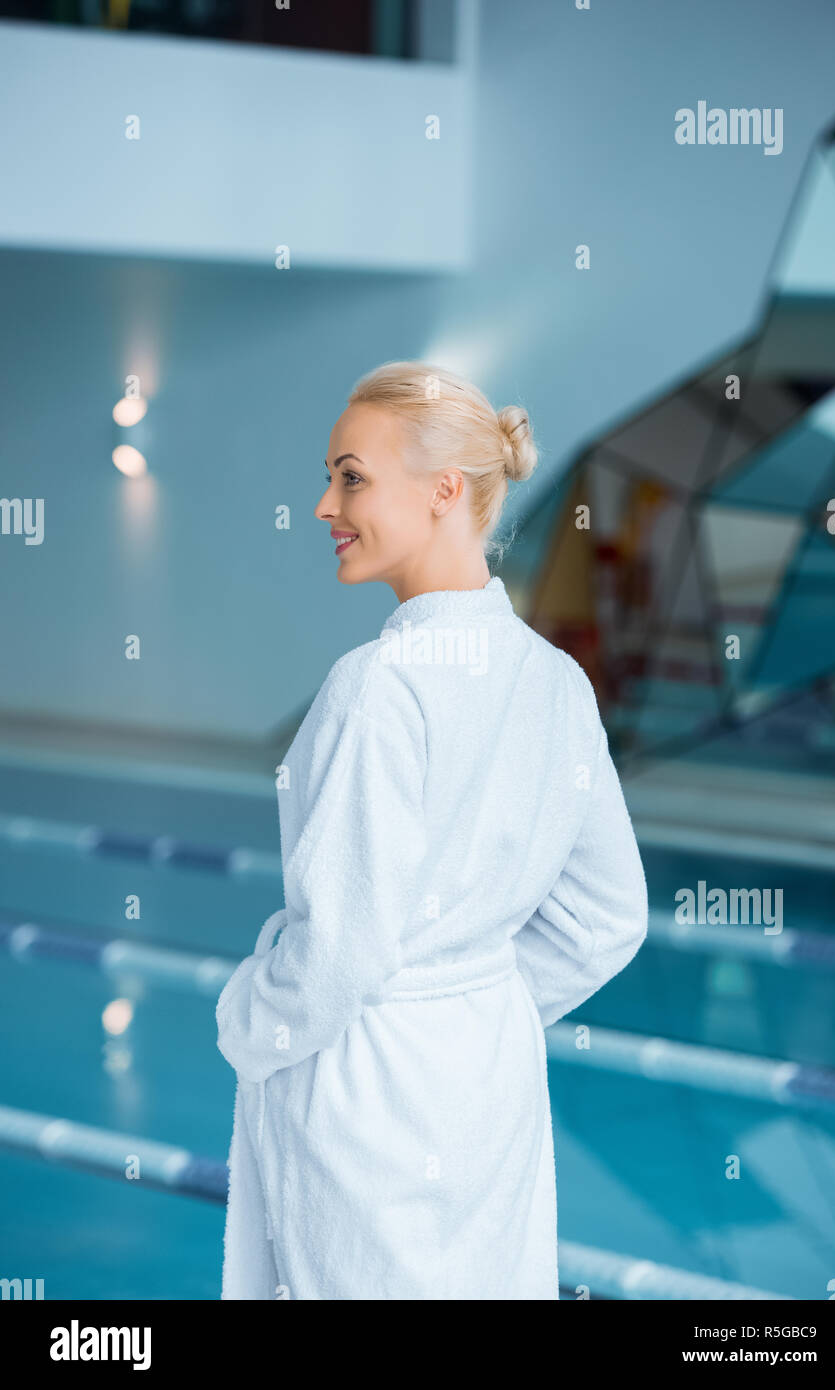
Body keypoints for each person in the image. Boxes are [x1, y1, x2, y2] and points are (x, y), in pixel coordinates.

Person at [216, 361, 648, 1300]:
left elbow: (336, 955)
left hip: (365, 1100)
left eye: (351, 476)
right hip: (488, 1082)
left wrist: (247, 1020)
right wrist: (469, 1002)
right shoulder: (555, 683)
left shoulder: (379, 686)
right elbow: (609, 918)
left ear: (445, 490)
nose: (324, 503)